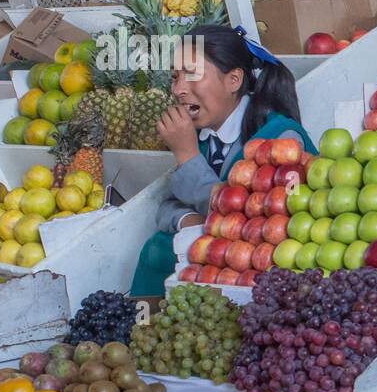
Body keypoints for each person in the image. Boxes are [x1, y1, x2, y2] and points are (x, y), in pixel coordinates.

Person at [130, 24, 316, 295]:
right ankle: (143, 324)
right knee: (158, 247)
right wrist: (190, 220)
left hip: (264, 266)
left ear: (233, 80)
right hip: (220, 254)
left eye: (192, 74)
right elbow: (168, 205)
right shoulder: (201, 136)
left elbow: (262, 218)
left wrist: (187, 155)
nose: (179, 89)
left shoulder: (279, 140)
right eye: (174, 77)